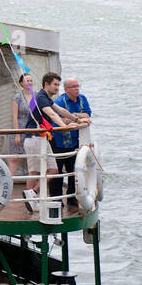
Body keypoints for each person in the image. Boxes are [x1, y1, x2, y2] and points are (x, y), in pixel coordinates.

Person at [22, 72, 76, 208]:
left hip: (43, 138)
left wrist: (77, 120)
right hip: (34, 137)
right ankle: (31, 202)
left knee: (53, 170)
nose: (57, 88)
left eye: (58, 85)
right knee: (34, 172)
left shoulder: (45, 97)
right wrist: (64, 127)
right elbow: (52, 114)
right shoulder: (40, 97)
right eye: (55, 84)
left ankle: (33, 193)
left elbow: (60, 110)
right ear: (46, 84)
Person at [52, 76, 92, 205]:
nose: (77, 89)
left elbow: (88, 114)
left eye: (78, 86)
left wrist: (72, 115)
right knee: (58, 171)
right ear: (67, 89)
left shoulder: (82, 99)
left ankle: (71, 197)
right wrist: (77, 116)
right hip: (60, 141)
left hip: (76, 141)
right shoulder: (60, 101)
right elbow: (57, 119)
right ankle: (56, 198)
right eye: (74, 87)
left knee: (73, 171)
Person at [9, 72, 34, 176]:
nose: (29, 83)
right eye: (26, 81)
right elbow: (14, 116)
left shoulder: (36, 96)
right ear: (21, 83)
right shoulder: (17, 97)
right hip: (19, 128)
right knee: (14, 158)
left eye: (31, 81)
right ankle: (9, 181)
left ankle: (32, 186)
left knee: (32, 159)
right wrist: (17, 134)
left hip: (32, 130)